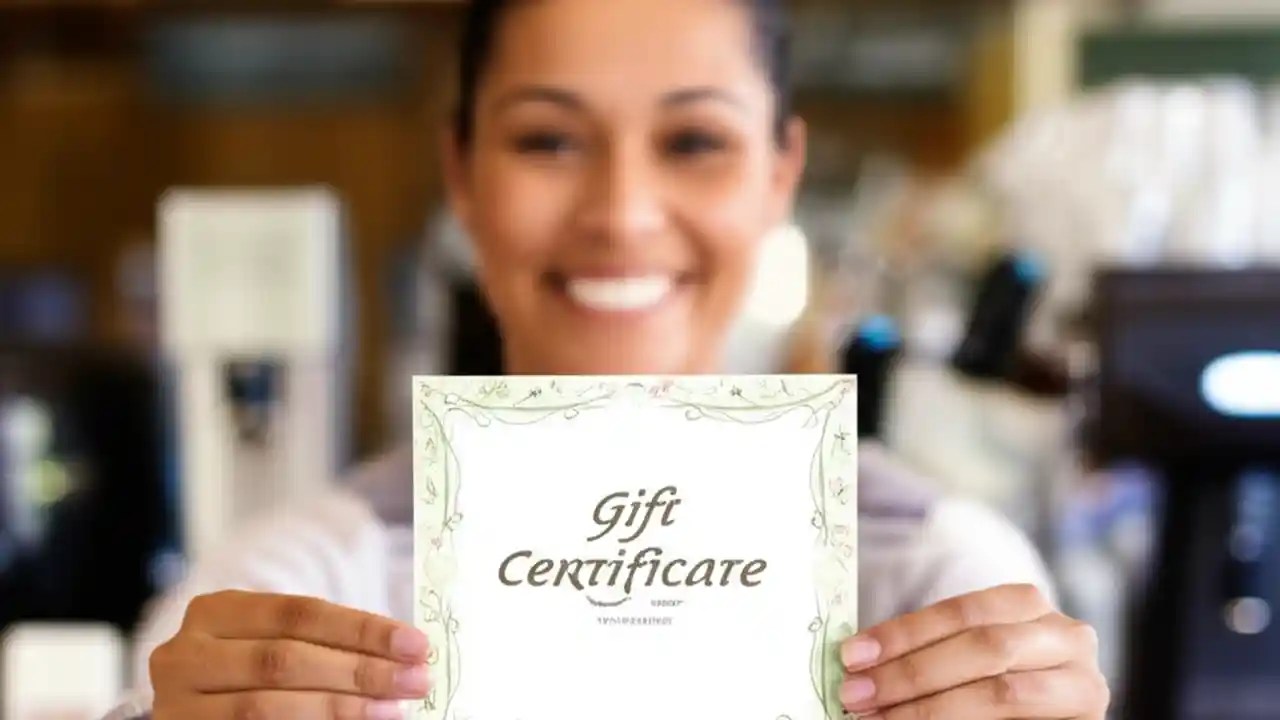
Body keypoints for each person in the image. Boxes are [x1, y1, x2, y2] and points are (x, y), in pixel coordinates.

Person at [106, 0, 1109, 718]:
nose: (621, 214)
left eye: (694, 141)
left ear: (778, 175)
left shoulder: (936, 573)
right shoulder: (303, 580)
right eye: (548, 140)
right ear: (462, 174)